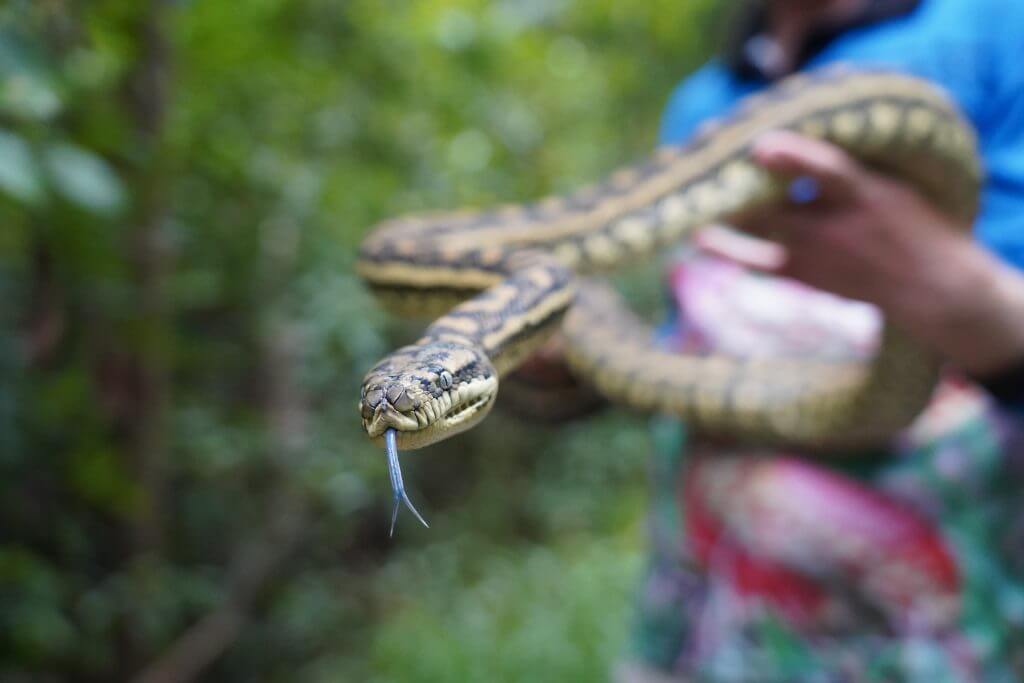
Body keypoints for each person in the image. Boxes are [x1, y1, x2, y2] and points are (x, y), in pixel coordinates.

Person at [621, 0, 1024, 680]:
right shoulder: (704, 102)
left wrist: (957, 289)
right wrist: (556, 371)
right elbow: (680, 344)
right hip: (714, 624)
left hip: (944, 627)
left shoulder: (995, 28)